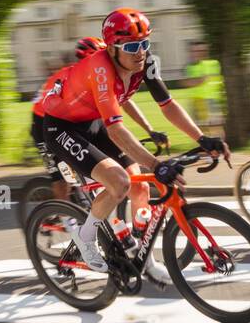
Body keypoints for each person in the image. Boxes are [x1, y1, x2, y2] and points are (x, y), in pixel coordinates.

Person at [41, 7, 228, 279]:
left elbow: (168, 104)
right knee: (119, 182)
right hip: (62, 126)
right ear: (114, 48)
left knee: (138, 183)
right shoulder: (101, 69)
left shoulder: (146, 63)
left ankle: (145, 259)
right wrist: (156, 163)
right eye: (131, 46)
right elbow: (116, 130)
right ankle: (85, 236)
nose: (140, 52)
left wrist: (202, 138)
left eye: (144, 43)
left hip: (92, 122)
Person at [29, 36, 168, 201]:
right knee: (60, 180)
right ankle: (66, 218)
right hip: (43, 122)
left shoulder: (106, 76)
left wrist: (150, 130)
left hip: (83, 120)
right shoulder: (68, 77)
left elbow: (124, 101)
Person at [181, 40, 224, 131]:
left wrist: (194, 81)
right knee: (199, 130)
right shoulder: (189, 67)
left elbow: (199, 81)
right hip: (196, 101)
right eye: (195, 51)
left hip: (211, 101)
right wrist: (197, 81)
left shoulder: (213, 64)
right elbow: (185, 82)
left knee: (215, 128)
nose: (198, 54)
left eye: (201, 51)